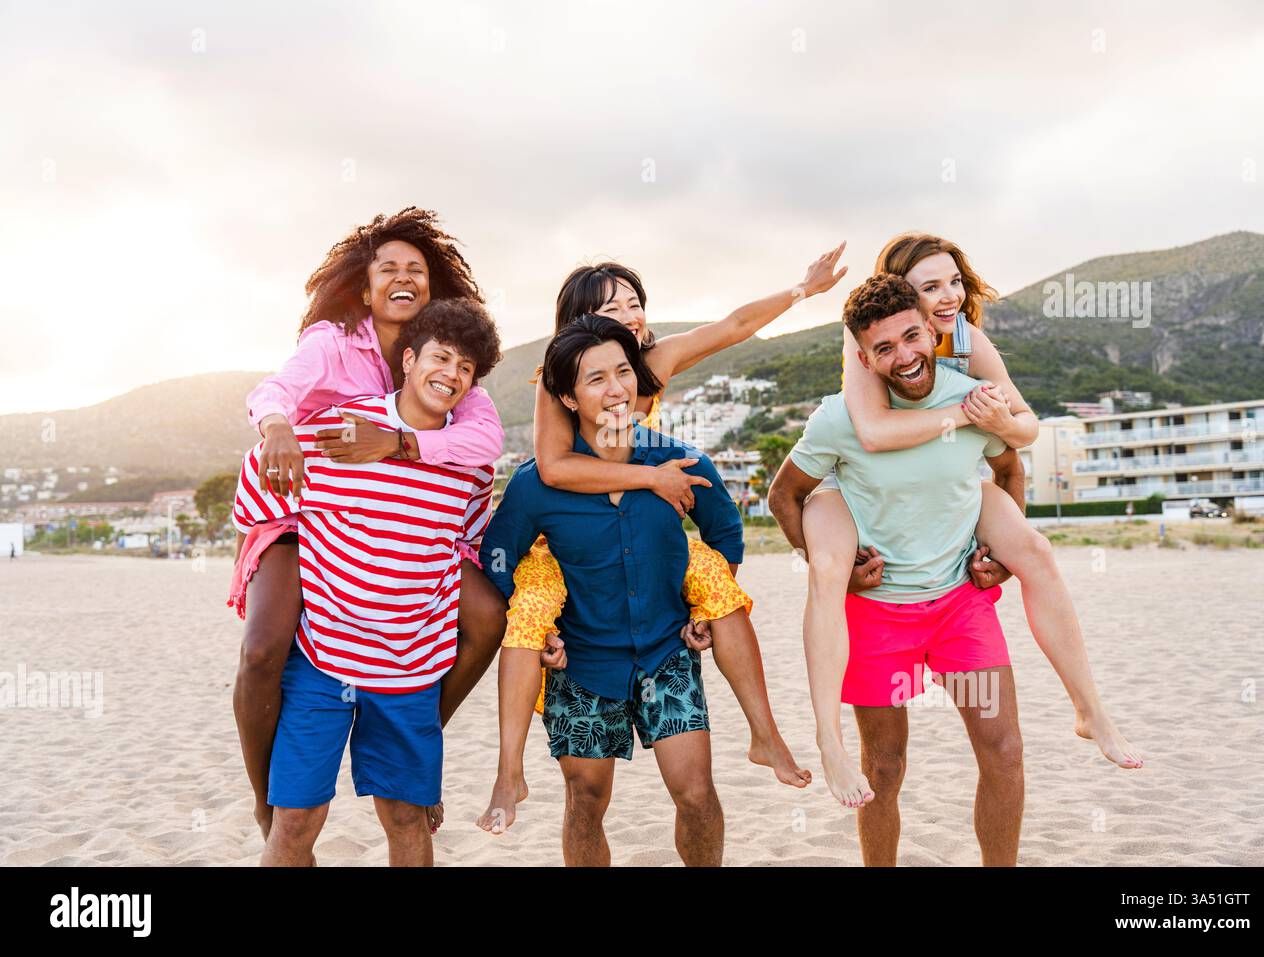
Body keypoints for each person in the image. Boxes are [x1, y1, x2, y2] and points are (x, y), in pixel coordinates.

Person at [473, 247, 845, 832]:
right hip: (568, 543)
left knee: (714, 583)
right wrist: (652, 477)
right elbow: (553, 471)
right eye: (612, 309)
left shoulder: (654, 362)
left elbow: (734, 327)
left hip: (651, 540)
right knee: (532, 610)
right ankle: (508, 770)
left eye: (636, 305)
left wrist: (803, 289)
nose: (632, 318)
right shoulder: (556, 383)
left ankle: (765, 734)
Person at [228, 208, 544, 840]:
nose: (403, 278)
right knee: (265, 645)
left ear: (435, 285)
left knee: (484, 616)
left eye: (417, 270)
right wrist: (279, 430)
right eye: (388, 269)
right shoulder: (333, 339)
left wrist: (397, 446)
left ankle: (412, 747)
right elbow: (276, 392)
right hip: (304, 498)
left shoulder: (448, 357)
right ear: (364, 285)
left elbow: (481, 443)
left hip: (406, 509)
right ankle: (269, 798)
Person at [799, 233, 1142, 808]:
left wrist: (998, 423)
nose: (950, 295)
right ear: (897, 294)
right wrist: (964, 414)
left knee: (1034, 551)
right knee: (828, 577)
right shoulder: (869, 341)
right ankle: (826, 738)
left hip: (952, 476)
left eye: (955, 280)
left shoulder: (965, 339)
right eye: (930, 286)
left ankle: (1090, 711)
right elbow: (876, 433)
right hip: (871, 484)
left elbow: (1024, 431)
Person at [768, 273, 1026, 865]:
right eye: (884, 348)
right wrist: (827, 560)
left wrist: (1003, 556)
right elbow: (785, 496)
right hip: (879, 617)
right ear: (864, 357)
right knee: (883, 767)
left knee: (1004, 751)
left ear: (931, 332)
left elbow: (1009, 468)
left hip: (960, 608)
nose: (904, 356)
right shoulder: (840, 420)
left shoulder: (973, 398)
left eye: (913, 337)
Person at [480, 315, 744, 866]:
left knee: (696, 794)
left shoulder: (676, 458)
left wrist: (704, 607)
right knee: (585, 799)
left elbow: (724, 532)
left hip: (665, 653)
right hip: (580, 666)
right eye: (595, 379)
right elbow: (498, 556)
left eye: (623, 371)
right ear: (568, 398)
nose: (616, 388)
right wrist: (543, 627)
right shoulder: (537, 482)